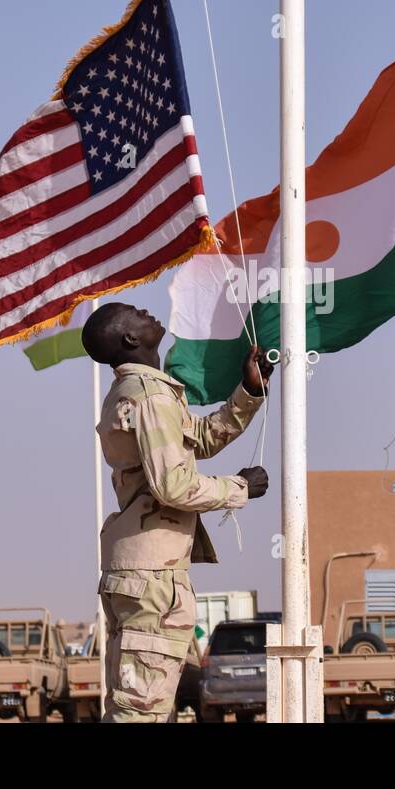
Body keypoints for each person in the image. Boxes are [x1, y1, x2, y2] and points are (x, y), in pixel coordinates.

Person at [83, 302, 272, 722]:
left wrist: (249, 392)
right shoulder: (149, 396)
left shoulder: (140, 393)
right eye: (135, 312)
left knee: (142, 707)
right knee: (141, 712)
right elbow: (172, 485)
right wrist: (238, 488)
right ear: (130, 338)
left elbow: (198, 440)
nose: (146, 311)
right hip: (151, 575)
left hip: (142, 570)